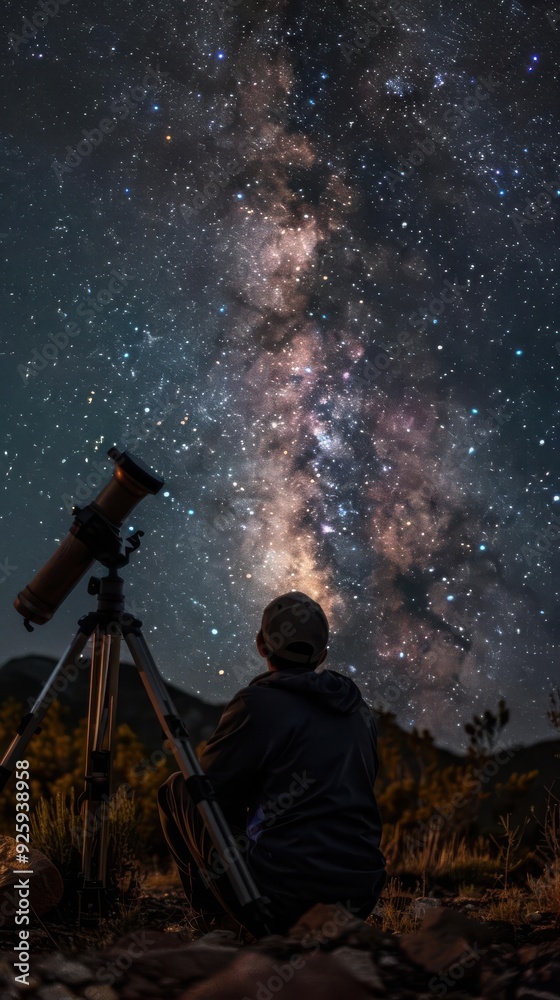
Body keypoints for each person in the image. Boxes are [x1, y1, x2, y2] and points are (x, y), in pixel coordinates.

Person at [157, 591, 386, 936]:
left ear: (261, 645)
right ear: (322, 654)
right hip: (360, 895)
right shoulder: (361, 712)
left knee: (181, 788)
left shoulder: (257, 705)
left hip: (283, 899)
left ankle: (216, 919)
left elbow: (208, 792)